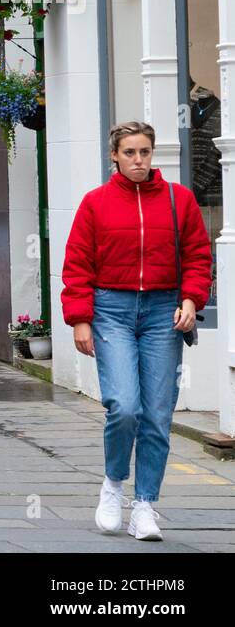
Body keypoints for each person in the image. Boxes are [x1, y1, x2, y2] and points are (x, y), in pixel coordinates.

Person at [62, 121, 212, 541]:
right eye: (129, 153)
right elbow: (77, 264)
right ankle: (113, 484)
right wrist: (81, 318)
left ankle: (145, 505)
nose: (138, 160)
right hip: (112, 310)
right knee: (125, 406)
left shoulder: (178, 201)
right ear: (114, 155)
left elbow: (198, 256)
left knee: (158, 414)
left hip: (165, 311)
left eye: (145, 152)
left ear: (153, 154)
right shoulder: (96, 203)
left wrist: (190, 300)